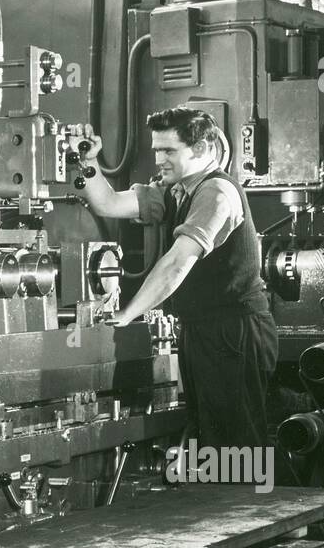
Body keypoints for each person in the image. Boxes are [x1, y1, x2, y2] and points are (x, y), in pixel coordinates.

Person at [79, 108, 278, 449]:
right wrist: (89, 162)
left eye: (169, 151)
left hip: (235, 331)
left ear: (200, 148)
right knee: (211, 435)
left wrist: (127, 314)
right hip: (201, 328)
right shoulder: (175, 190)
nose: (159, 160)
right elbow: (108, 204)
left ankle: (246, 502)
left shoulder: (217, 193)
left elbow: (176, 264)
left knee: (236, 441)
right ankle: (225, 500)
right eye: (156, 150)